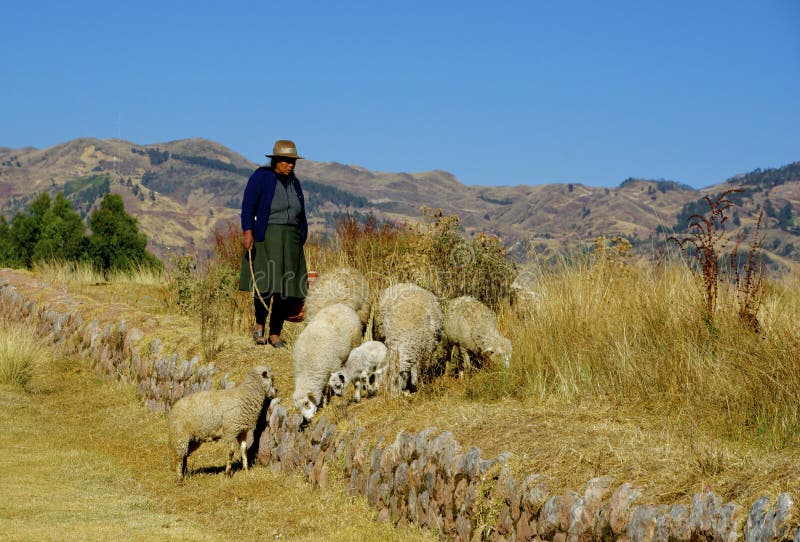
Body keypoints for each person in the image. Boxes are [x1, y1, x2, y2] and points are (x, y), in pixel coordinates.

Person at [238, 139, 309, 347]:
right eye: (287, 161)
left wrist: (302, 234)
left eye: (293, 161)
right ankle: (259, 326)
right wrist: (248, 231)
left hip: (291, 240)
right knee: (266, 284)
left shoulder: (294, 182)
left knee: (286, 289)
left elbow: (301, 211)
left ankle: (275, 333)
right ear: (276, 160)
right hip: (267, 237)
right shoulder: (262, 177)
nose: (291, 165)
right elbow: (248, 205)